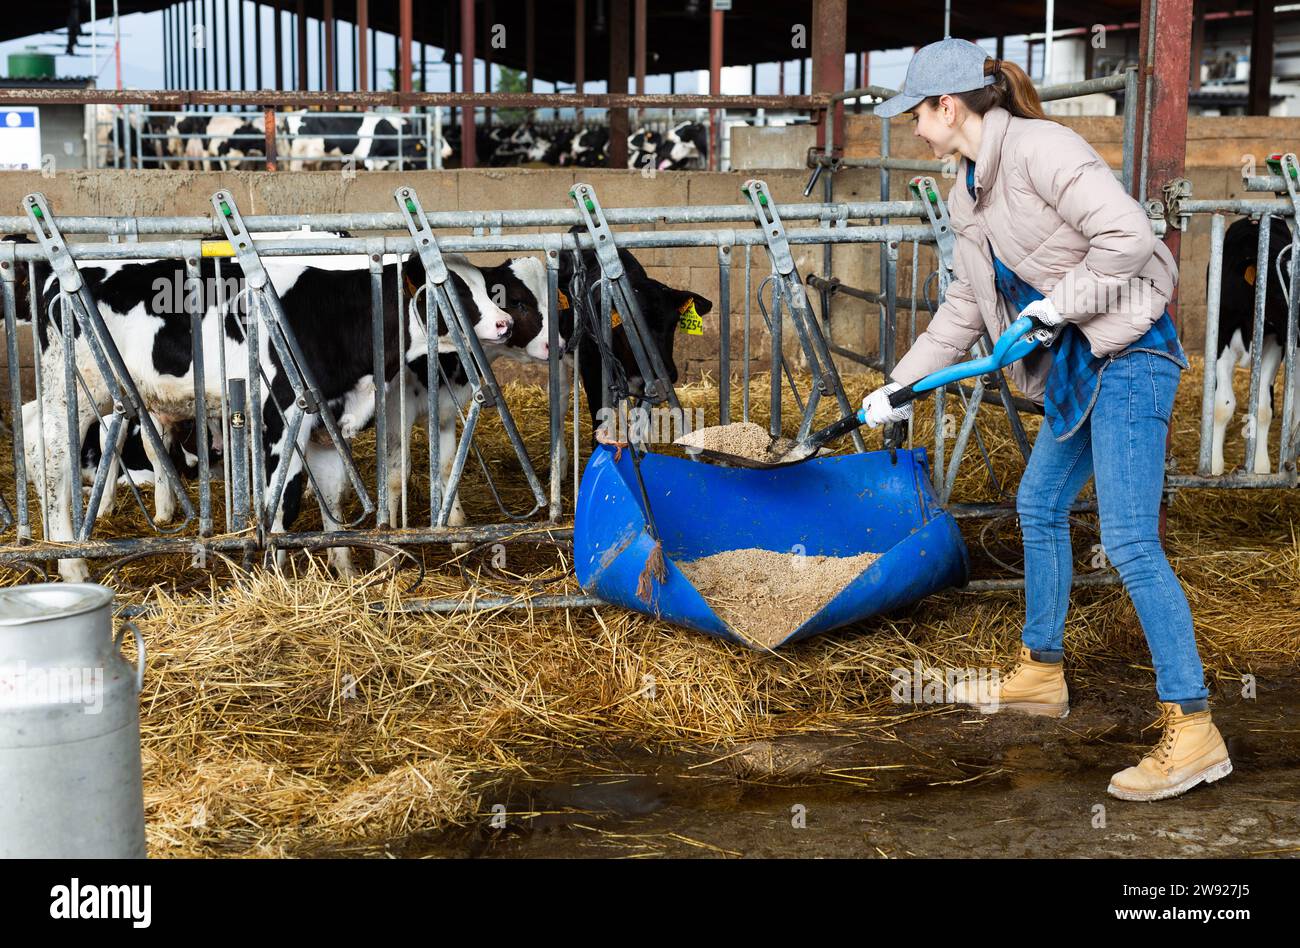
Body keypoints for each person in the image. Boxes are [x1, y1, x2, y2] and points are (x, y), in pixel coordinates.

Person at [861, 37, 1232, 802]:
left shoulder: (1041, 149)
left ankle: (1194, 728)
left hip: (1129, 354)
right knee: (1038, 504)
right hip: (1074, 369)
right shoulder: (966, 190)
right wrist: (898, 384)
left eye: (915, 112)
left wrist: (1056, 306)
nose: (912, 125)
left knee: (1129, 538)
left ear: (949, 107)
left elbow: (1129, 234)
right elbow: (965, 306)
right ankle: (1041, 672)